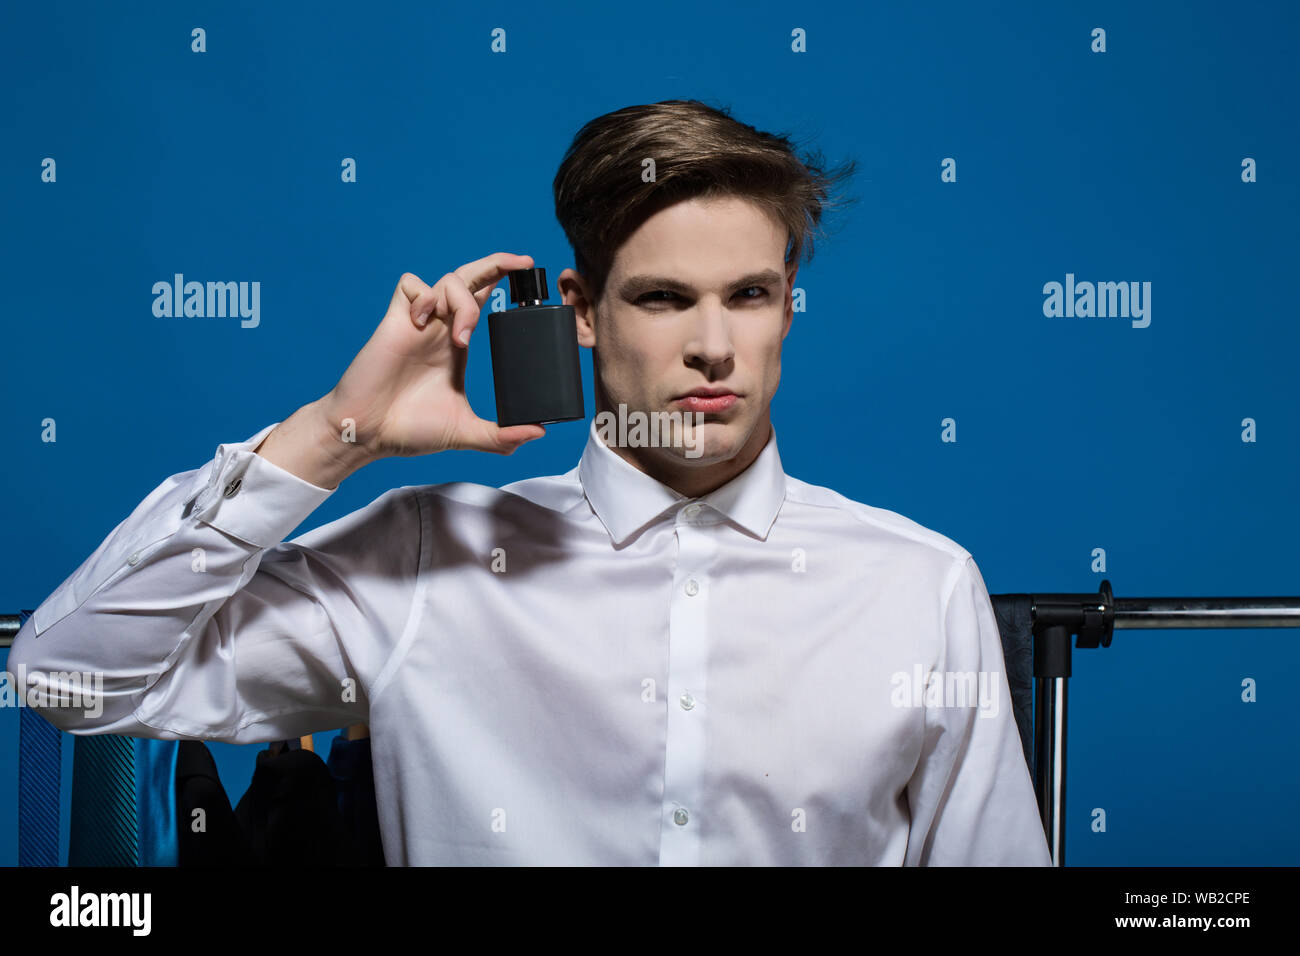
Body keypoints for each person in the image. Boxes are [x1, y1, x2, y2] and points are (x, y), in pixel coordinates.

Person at [8, 98, 1051, 865]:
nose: (712, 345)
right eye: (660, 298)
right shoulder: (425, 557)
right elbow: (67, 677)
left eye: (750, 294)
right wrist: (337, 433)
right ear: (581, 312)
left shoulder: (915, 586)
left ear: (788, 307)